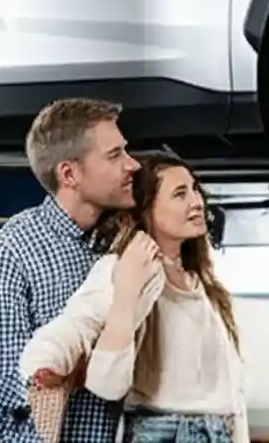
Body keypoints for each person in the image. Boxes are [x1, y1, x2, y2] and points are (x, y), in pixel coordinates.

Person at [18, 150, 250, 443]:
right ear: (146, 209)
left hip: (218, 431)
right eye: (180, 194)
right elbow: (80, 322)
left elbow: (231, 391)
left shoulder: (202, 284)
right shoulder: (124, 269)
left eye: (195, 189)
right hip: (162, 431)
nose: (197, 202)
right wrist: (46, 361)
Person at [0, 98, 142, 442]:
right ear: (69, 174)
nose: (133, 165)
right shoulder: (11, 251)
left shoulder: (123, 250)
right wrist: (96, 365)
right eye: (115, 156)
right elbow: (9, 384)